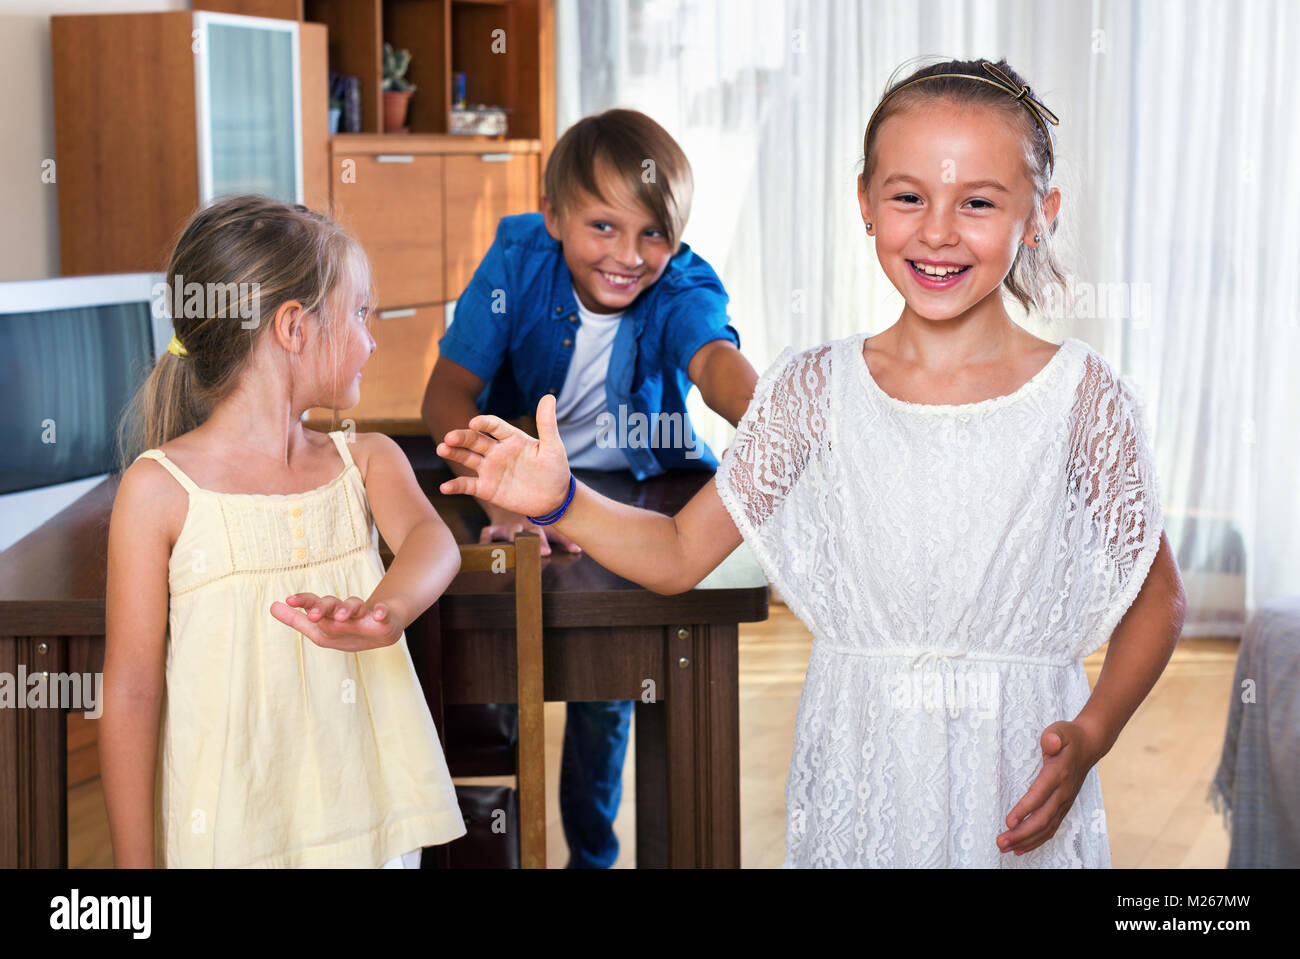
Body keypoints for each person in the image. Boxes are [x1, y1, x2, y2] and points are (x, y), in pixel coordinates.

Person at [435, 59, 1188, 867]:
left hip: (1020, 778)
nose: (937, 230)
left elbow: (1160, 600)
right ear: (864, 202)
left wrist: (1092, 732)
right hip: (859, 777)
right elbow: (679, 552)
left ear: (1039, 215)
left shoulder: (1085, 396)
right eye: (908, 197)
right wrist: (562, 498)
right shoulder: (809, 390)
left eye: (977, 202)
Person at [422, 109, 758, 867]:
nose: (629, 256)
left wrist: (778, 420)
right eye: (603, 227)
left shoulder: (681, 284)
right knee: (498, 659)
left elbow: (714, 366)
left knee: (607, 689)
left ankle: (592, 858)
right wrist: (502, 501)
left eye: (652, 234)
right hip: (516, 487)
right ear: (555, 218)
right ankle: (477, 828)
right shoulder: (516, 259)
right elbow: (445, 397)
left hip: (637, 495)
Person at [100, 195, 466, 868]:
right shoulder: (157, 491)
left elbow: (432, 540)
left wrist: (389, 611)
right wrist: (133, 871)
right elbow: (129, 691)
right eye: (359, 312)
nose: (372, 336)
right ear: (294, 326)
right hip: (229, 834)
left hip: (367, 828)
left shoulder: (367, 458)